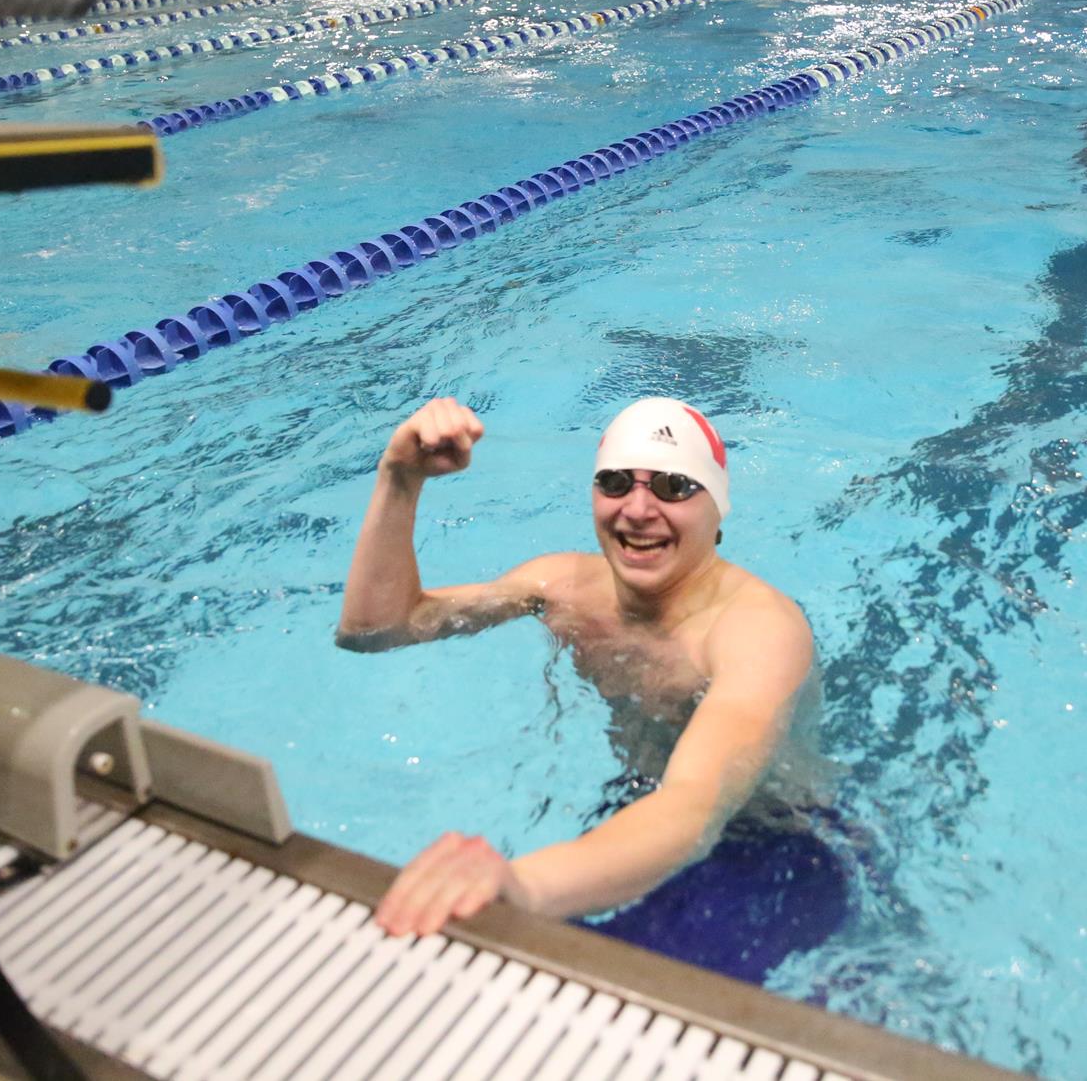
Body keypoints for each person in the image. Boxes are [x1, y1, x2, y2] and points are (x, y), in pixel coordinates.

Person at [341, 399, 835, 981]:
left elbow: (693, 805)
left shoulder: (758, 631)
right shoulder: (561, 586)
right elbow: (375, 632)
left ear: (717, 510)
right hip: (637, 812)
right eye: (616, 482)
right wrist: (400, 479)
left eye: (675, 486)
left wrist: (521, 884)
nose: (638, 509)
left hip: (773, 850)